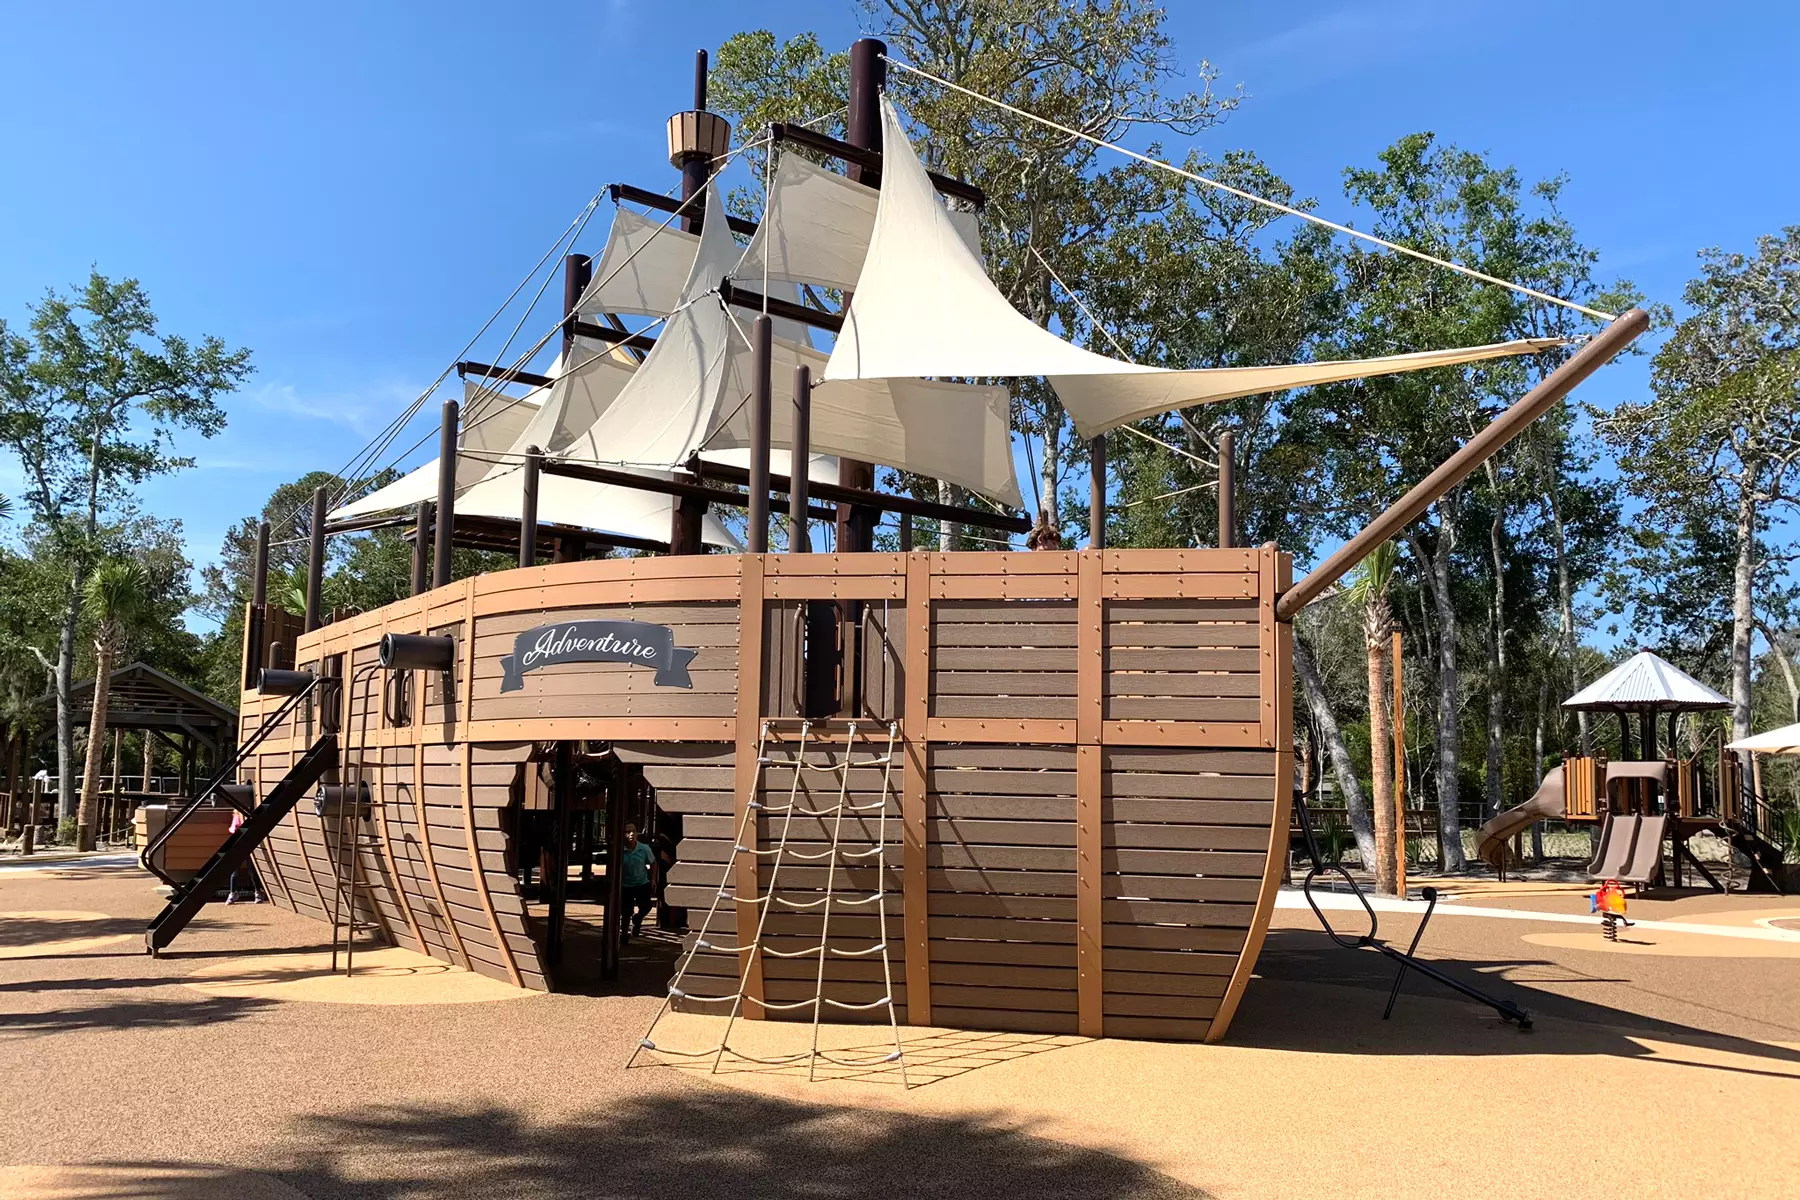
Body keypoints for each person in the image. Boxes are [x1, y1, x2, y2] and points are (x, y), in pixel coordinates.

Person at [617, 823, 656, 942]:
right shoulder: (620, 850)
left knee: (646, 906)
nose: (631, 834)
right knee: (625, 911)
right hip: (625, 885)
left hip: (641, 883)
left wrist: (653, 879)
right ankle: (624, 934)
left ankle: (637, 919)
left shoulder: (644, 848)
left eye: (633, 831)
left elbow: (653, 863)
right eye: (628, 831)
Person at [224, 809, 266, 904]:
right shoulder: (237, 816)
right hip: (238, 845)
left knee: (251, 870)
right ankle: (233, 893)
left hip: (249, 845)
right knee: (234, 870)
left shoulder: (249, 817)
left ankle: (258, 891)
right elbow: (233, 829)